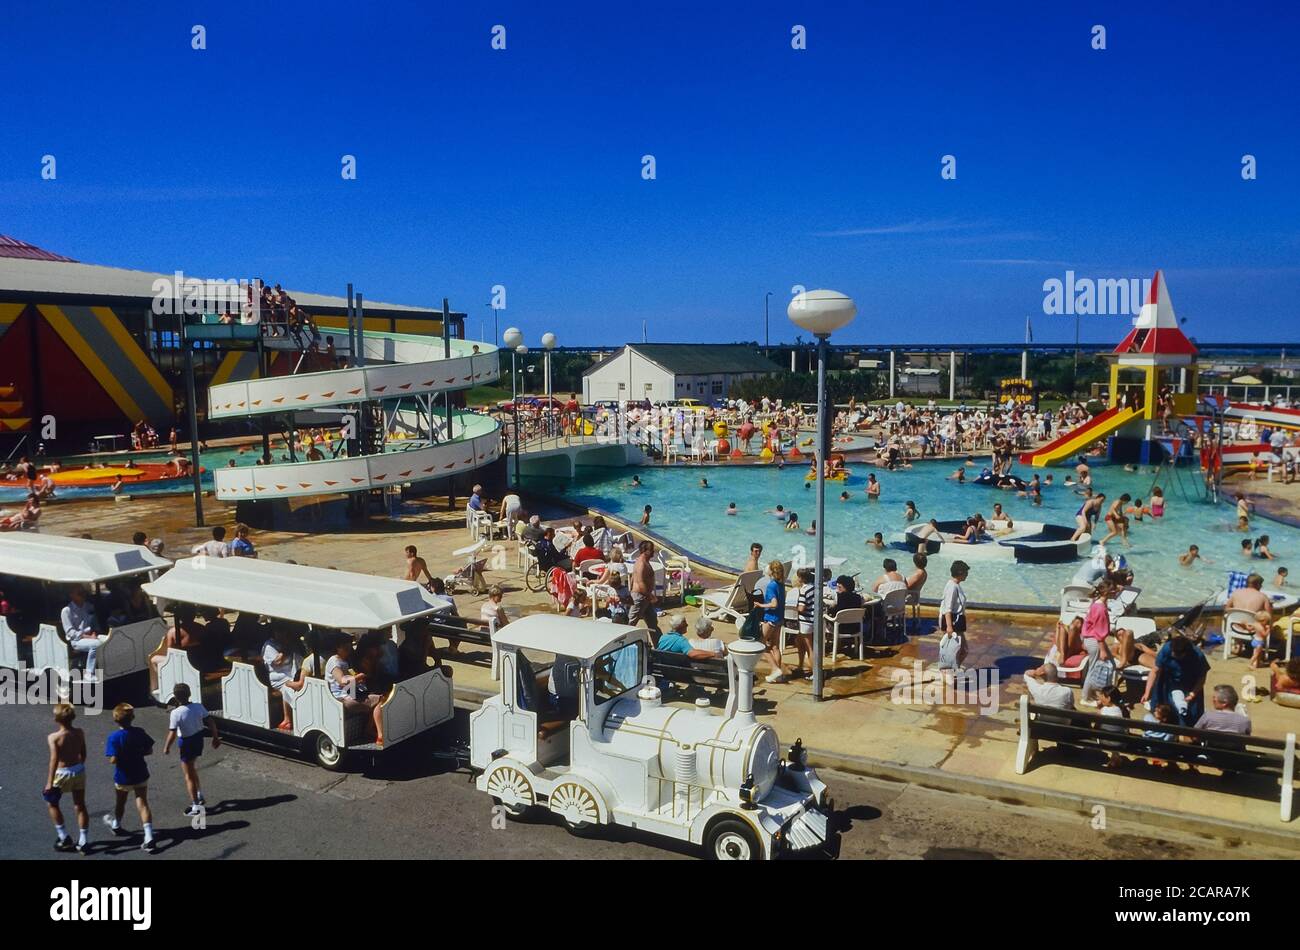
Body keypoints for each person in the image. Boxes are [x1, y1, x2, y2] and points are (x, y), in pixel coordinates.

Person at [102, 703, 157, 853]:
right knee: (143, 803)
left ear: (116, 720)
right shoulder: (140, 732)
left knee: (121, 802)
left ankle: (117, 825)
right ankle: (148, 836)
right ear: (132, 717)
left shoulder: (114, 737)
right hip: (140, 772)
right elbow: (149, 750)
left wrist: (117, 758)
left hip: (123, 776)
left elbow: (113, 759)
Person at [163, 683, 220, 818]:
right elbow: (210, 721)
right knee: (192, 767)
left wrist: (167, 747)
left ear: (175, 697)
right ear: (189, 694)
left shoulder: (175, 713)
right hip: (198, 739)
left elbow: (172, 733)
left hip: (186, 742)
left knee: (188, 775)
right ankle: (199, 793)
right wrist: (215, 737)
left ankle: (196, 805)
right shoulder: (198, 706)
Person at [45, 704, 89, 853]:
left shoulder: (54, 738)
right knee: (79, 805)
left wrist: (49, 782)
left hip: (62, 773)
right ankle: (83, 840)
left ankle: (63, 836)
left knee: (52, 803)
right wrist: (79, 766)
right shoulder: (80, 732)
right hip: (78, 770)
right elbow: (83, 753)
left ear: (57, 720)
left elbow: (54, 760)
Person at [1141, 633, 1211, 727]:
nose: (1173, 655)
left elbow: (1202, 677)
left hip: (1190, 684)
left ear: (1185, 652)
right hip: (1167, 681)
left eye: (1177, 655)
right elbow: (1155, 670)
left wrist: (1192, 694)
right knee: (1164, 710)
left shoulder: (1197, 655)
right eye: (1173, 652)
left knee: (1188, 713)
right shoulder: (1167, 649)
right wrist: (1147, 692)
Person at [327, 638, 385, 746]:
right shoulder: (334, 662)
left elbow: (349, 681)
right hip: (342, 699)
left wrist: (357, 681)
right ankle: (380, 735)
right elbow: (342, 681)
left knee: (375, 694)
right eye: (345, 646)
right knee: (380, 699)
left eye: (349, 645)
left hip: (349, 694)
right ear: (337, 647)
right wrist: (358, 677)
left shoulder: (344, 661)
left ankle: (369, 729)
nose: (348, 648)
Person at [1226, 573, 1275, 668]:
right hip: (1253, 631)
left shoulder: (1236, 593)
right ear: (1257, 584)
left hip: (1236, 627)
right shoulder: (1262, 596)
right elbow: (1269, 616)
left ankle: (1238, 646)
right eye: (1261, 584)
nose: (1261, 587)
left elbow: (1227, 608)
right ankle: (1258, 658)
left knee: (1236, 617)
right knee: (1265, 623)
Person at [262, 628, 306, 730]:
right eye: (281, 632)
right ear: (275, 632)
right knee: (288, 688)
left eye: (286, 632)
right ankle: (288, 719)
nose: (284, 634)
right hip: (278, 678)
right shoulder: (270, 645)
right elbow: (277, 662)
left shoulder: (293, 644)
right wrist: (286, 649)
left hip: (293, 675)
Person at [61, 585, 102, 679]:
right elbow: (71, 633)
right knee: (95, 645)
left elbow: (94, 621)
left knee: (106, 640)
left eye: (83, 593)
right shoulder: (66, 611)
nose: (82, 595)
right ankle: (89, 674)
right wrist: (88, 637)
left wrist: (94, 632)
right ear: (72, 595)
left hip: (90, 637)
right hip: (77, 641)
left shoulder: (88, 606)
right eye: (79, 593)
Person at [938, 561, 970, 671]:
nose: (967, 574)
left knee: (960, 649)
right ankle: (954, 669)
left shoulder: (955, 585)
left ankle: (955, 667)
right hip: (954, 623)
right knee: (960, 649)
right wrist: (949, 627)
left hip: (957, 622)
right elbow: (948, 608)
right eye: (966, 572)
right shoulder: (952, 587)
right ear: (960, 572)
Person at [760, 561, 788, 683]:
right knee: (775, 646)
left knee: (760, 644)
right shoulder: (781, 585)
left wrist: (761, 605)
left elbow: (774, 604)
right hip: (779, 619)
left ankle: (775, 668)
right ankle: (777, 674)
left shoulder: (771, 585)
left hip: (771, 618)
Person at [630, 540, 660, 638]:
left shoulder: (645, 562)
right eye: (651, 550)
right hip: (640, 597)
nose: (653, 552)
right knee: (631, 623)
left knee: (653, 623)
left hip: (644, 597)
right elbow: (640, 582)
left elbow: (632, 579)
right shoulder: (641, 564)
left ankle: (659, 647)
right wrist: (650, 596)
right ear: (645, 551)